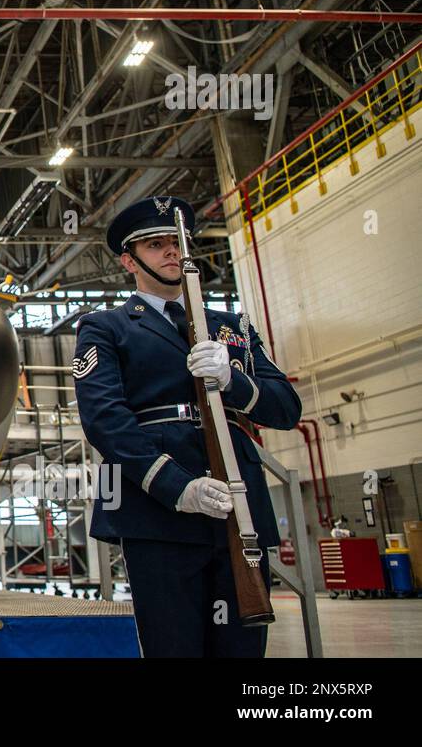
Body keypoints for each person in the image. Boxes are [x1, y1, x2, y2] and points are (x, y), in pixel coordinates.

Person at [72, 195, 301, 657]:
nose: (172, 252)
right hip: (158, 509)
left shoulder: (231, 327)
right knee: (173, 644)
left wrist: (234, 381)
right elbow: (106, 420)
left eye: (177, 243)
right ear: (128, 260)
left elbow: (286, 409)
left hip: (238, 502)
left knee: (241, 644)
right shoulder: (106, 327)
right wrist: (178, 487)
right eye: (156, 245)